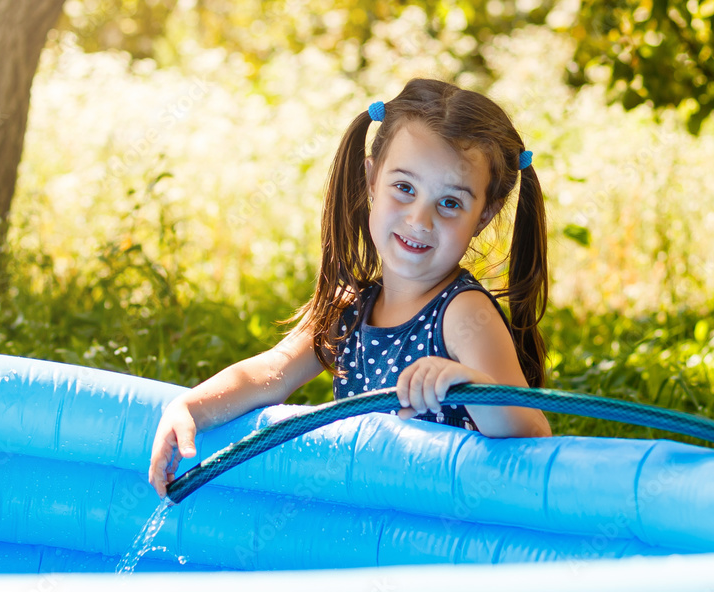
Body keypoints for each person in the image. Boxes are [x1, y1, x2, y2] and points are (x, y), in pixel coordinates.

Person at [149, 78, 553, 498]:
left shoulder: (462, 314)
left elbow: (533, 433)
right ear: (372, 179)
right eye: (405, 188)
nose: (420, 219)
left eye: (450, 203)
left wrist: (469, 384)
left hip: (439, 533)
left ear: (484, 216)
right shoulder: (350, 308)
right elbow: (268, 375)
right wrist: (190, 407)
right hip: (365, 524)